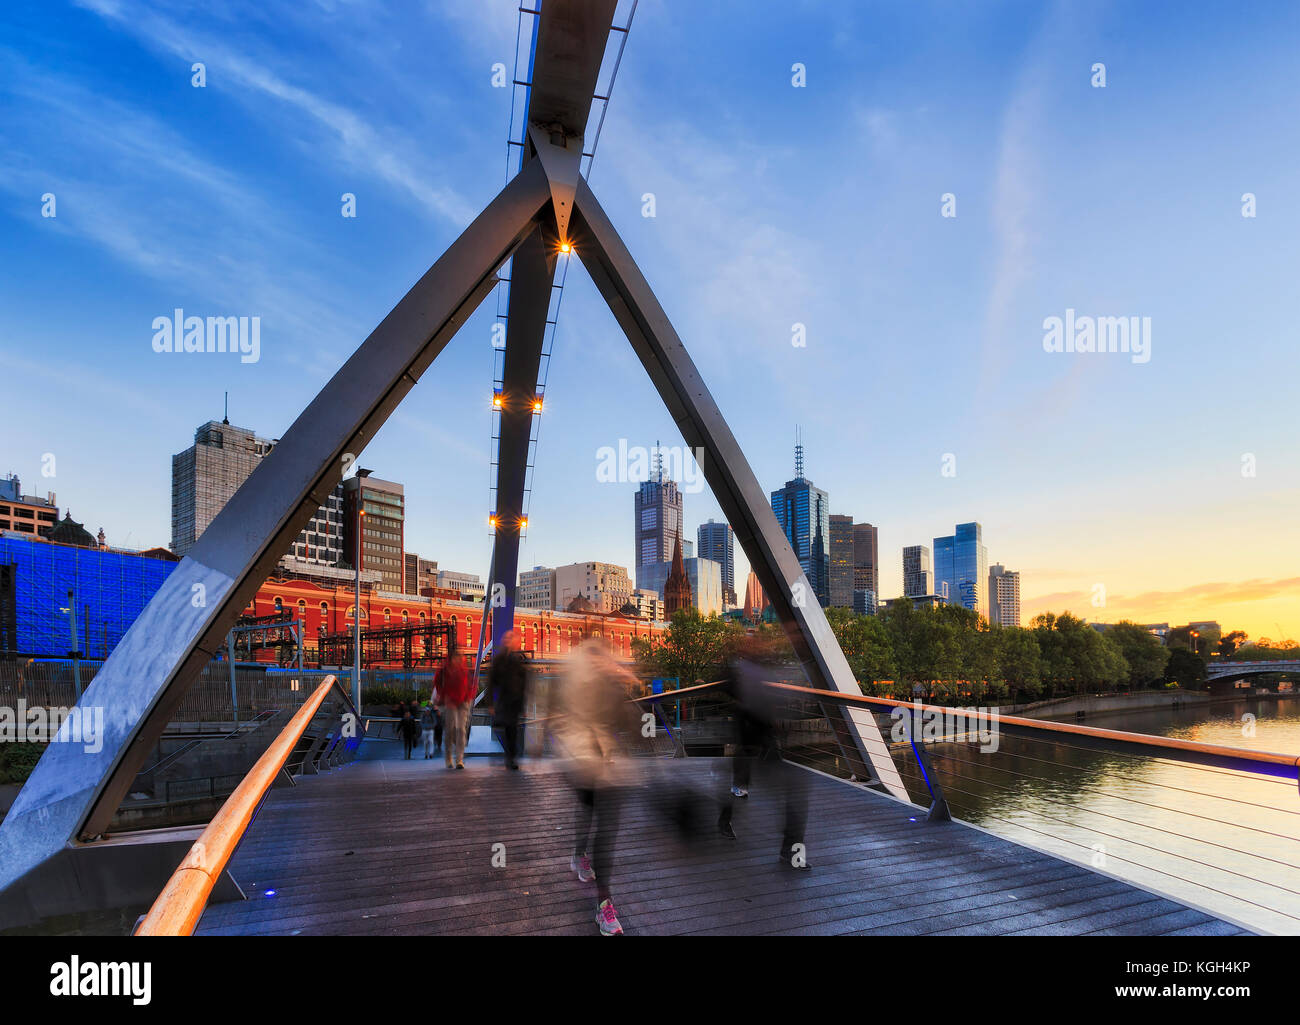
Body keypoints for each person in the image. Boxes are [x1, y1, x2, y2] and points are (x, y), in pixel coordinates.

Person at [550, 639, 641, 935]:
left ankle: (604, 903)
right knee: (589, 808)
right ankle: (579, 853)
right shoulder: (574, 687)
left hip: (606, 762)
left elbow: (631, 724)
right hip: (579, 757)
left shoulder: (609, 686)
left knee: (606, 825)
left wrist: (628, 689)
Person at [717, 638, 809, 869]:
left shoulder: (750, 670)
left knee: (739, 783)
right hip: (756, 741)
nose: (759, 646)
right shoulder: (746, 670)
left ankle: (724, 820)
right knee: (794, 792)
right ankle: (789, 851)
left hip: (756, 741)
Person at [489, 629, 529, 770]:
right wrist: (491, 704)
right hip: (505, 699)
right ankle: (510, 757)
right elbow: (491, 681)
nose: (507, 641)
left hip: (515, 700)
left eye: (510, 638)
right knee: (509, 729)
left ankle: (511, 757)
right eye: (506, 638)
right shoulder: (500, 659)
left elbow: (524, 683)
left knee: (511, 729)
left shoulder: (519, 659)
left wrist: (523, 705)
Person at [434, 642, 473, 770]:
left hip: (463, 702)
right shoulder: (444, 670)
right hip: (450, 702)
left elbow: (471, 684)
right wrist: (443, 695)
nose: (459, 658)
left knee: (461, 730)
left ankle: (459, 760)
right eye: (457, 656)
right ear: (451, 657)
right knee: (450, 729)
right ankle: (448, 758)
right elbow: (437, 683)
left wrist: (469, 697)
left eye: (460, 656)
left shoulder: (464, 670)